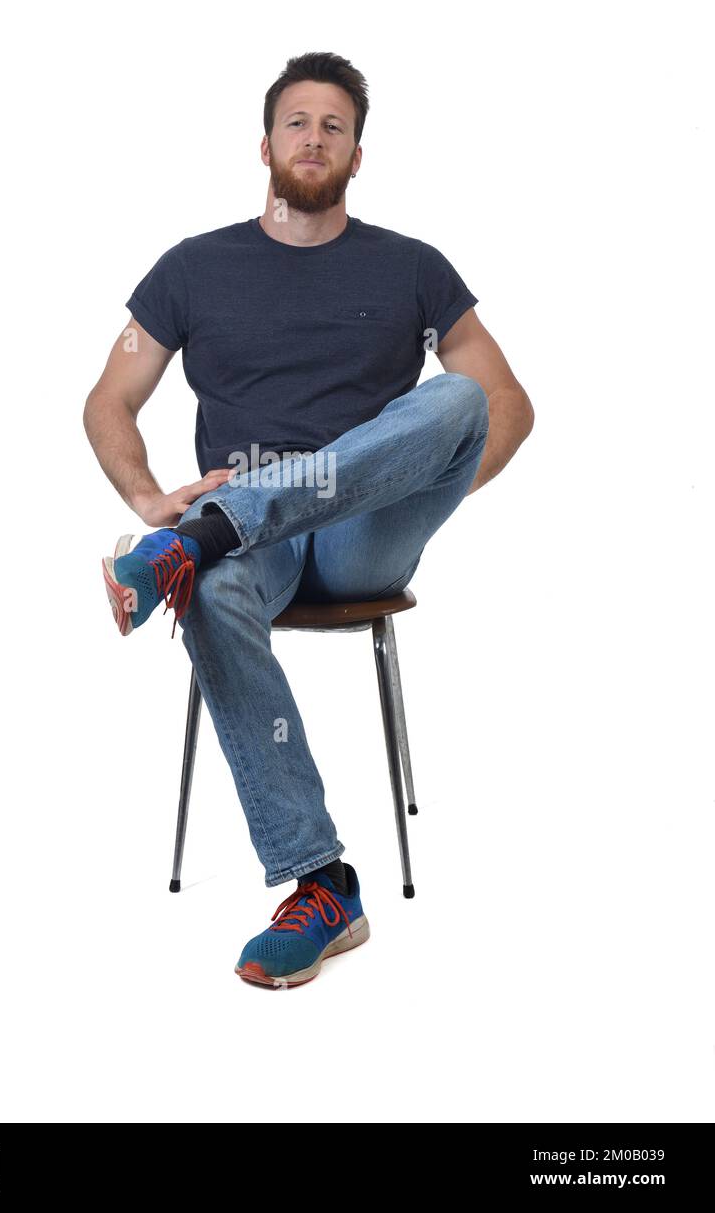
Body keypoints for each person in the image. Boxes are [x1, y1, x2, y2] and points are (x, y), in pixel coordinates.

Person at [83, 51, 535, 990]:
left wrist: (427, 481)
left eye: (335, 125)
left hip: (364, 535)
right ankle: (323, 884)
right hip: (256, 547)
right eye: (298, 121)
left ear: (358, 155)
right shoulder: (192, 268)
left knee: (459, 402)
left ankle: (197, 537)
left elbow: (506, 406)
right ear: (264, 143)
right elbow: (107, 402)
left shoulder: (414, 267)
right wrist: (147, 500)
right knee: (206, 586)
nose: (315, 137)